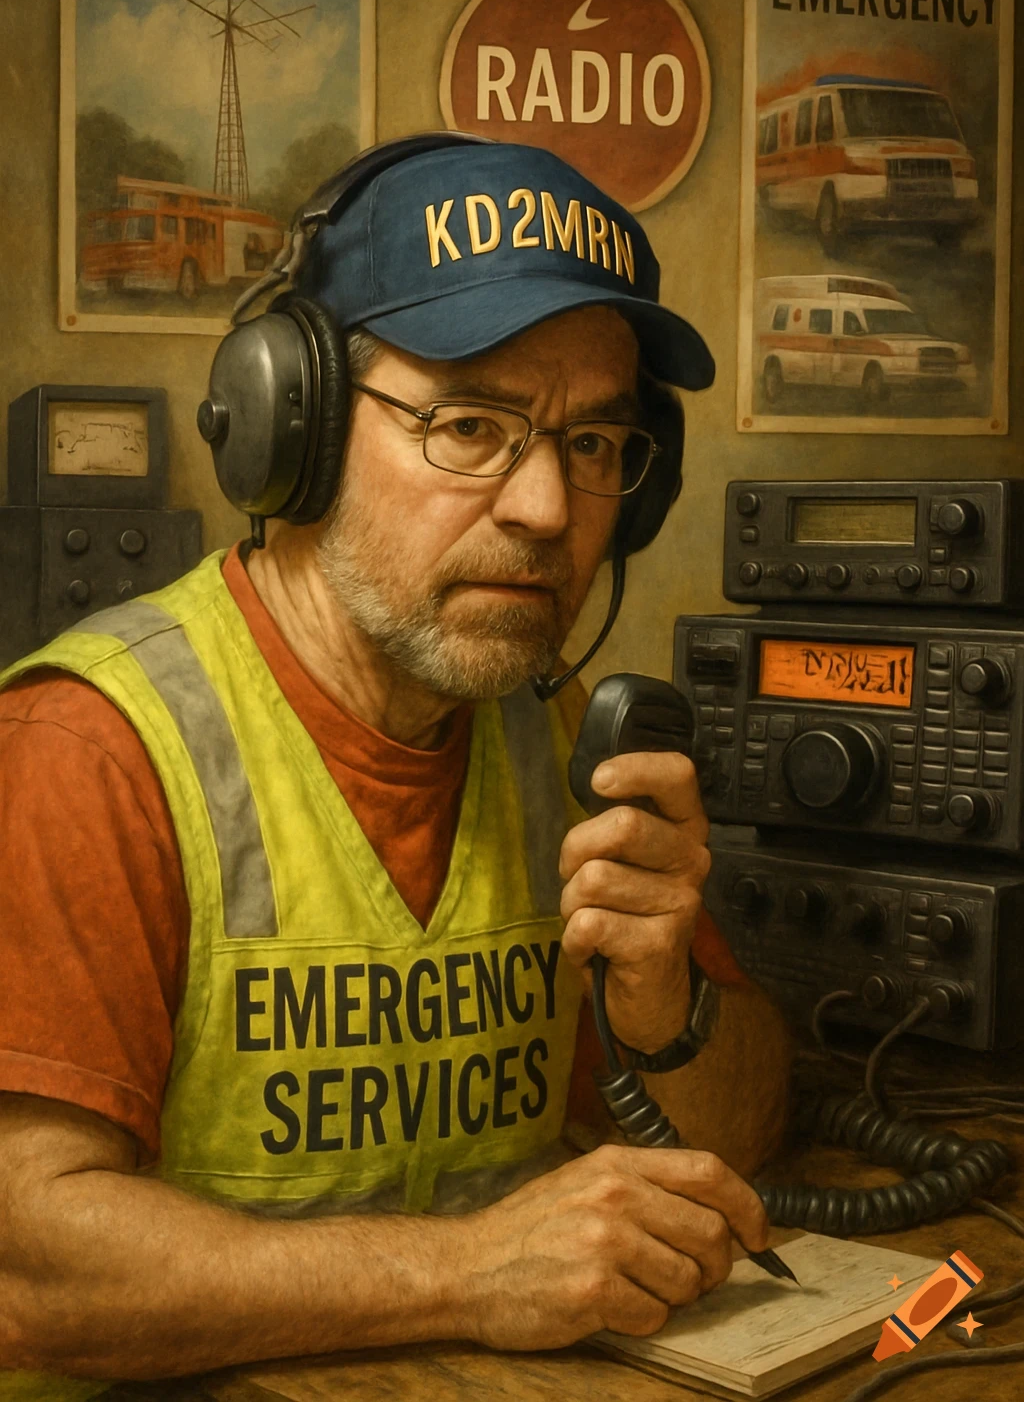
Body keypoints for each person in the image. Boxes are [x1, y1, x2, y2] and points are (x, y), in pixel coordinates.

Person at [0, 137, 792, 1396]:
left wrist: (663, 1007)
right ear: (291, 426)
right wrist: (471, 1272)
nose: (544, 506)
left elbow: (734, 1144)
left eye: (592, 446)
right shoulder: (90, 752)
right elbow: (26, 1274)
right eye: (468, 424)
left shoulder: (559, 730)